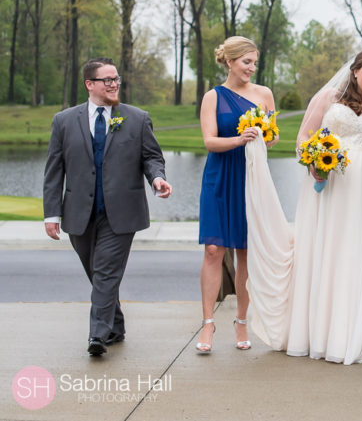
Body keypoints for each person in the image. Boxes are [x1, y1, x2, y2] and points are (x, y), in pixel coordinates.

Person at [245, 49, 362, 365]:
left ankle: (360, 331)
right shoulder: (329, 96)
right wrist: (314, 162)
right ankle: (321, 332)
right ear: (355, 70)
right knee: (328, 250)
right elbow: (304, 137)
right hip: (330, 185)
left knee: (359, 253)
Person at [43, 57, 172, 357]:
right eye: (108, 80)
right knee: (97, 273)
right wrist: (51, 213)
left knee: (104, 272)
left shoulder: (137, 118)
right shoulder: (64, 121)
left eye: (116, 79)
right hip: (79, 213)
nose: (114, 84)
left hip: (122, 212)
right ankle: (115, 325)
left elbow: (152, 157)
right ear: (90, 84)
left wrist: (157, 178)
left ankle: (97, 335)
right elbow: (54, 170)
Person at [197, 36, 278, 353]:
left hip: (250, 177)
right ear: (229, 61)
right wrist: (239, 139)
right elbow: (209, 141)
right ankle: (208, 324)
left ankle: (241, 321)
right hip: (219, 177)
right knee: (213, 249)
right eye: (246, 62)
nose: (251, 68)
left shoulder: (264, 94)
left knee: (245, 251)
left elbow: (272, 139)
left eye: (254, 62)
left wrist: (262, 135)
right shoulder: (212, 97)